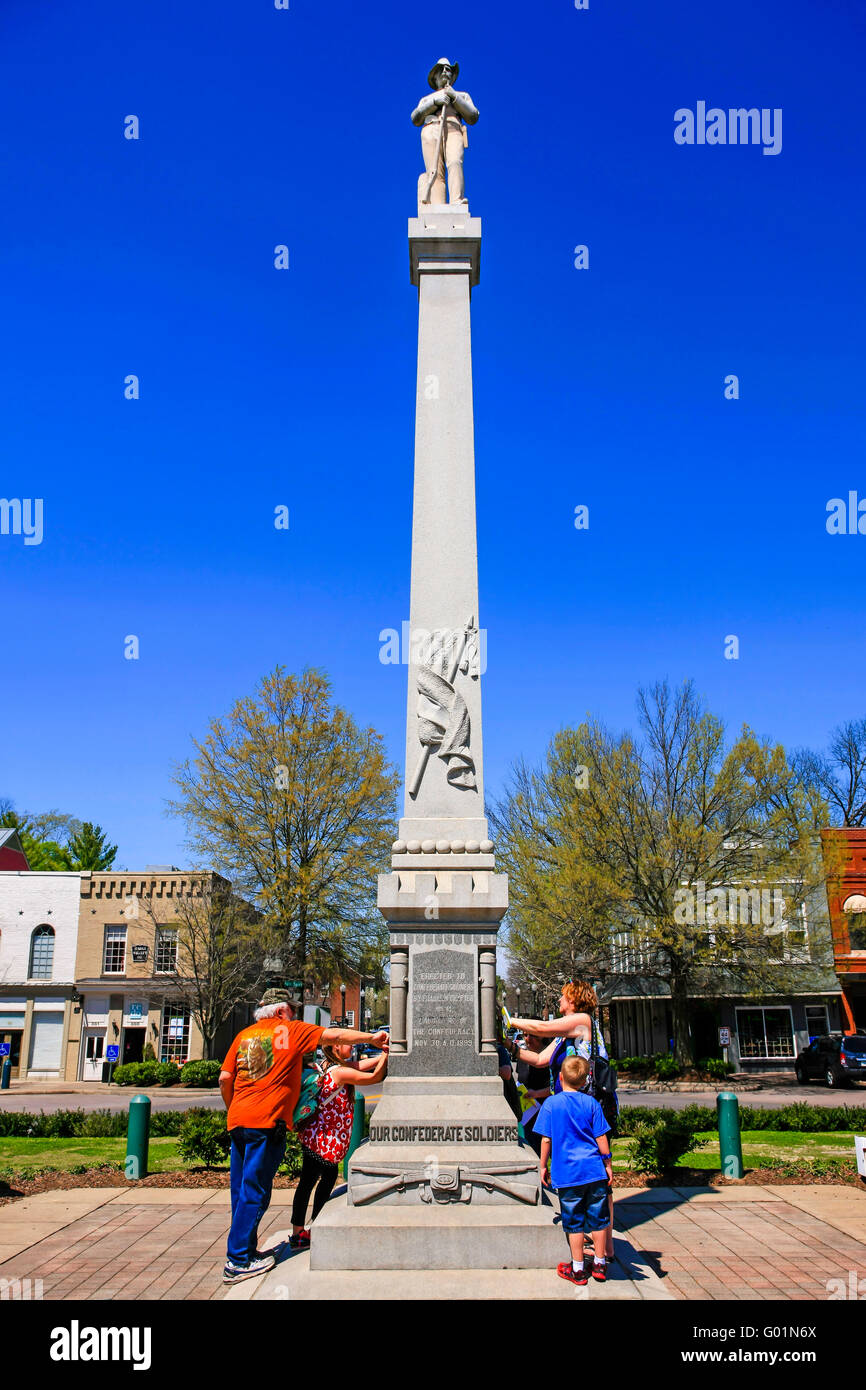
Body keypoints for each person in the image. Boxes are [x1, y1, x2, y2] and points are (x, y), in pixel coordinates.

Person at [219, 988, 389, 1285]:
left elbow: (225, 1078)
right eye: (293, 1009)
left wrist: (233, 1107)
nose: (295, 1014)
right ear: (281, 1011)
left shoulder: (244, 1035)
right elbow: (335, 1036)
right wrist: (371, 1039)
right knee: (256, 1190)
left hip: (238, 1120)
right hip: (267, 1122)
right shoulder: (292, 1031)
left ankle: (246, 1251)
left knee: (240, 1190)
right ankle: (237, 1261)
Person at [511, 980, 615, 1260]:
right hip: (567, 1109)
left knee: (598, 1174)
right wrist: (509, 1046)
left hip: (589, 1107)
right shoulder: (564, 1033)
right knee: (579, 1170)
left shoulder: (582, 1021)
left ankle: (606, 1247)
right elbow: (541, 1060)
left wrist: (509, 1019)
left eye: (563, 997)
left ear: (574, 999)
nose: (559, 1000)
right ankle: (597, 1243)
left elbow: (542, 1028)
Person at [290, 1038, 389, 1248]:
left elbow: (362, 1066)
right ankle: (312, 1226)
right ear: (336, 1047)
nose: (352, 1048)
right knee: (324, 1179)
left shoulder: (329, 1066)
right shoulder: (340, 1072)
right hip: (324, 1140)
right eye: (347, 1044)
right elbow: (374, 1077)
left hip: (314, 1135)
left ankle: (300, 1230)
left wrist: (383, 1055)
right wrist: (388, 1056)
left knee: (308, 1182)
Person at [534, 1054, 613, 1287]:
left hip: (567, 1175)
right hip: (594, 1171)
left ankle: (577, 1268)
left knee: (574, 1222)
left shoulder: (551, 1104)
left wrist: (542, 1165)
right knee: (598, 1219)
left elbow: (546, 1140)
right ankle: (599, 1263)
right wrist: (607, 1164)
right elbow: (601, 1137)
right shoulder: (591, 1103)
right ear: (586, 1080)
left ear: (560, 1077)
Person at [410, 58, 479, 206]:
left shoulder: (462, 95)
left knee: (455, 162)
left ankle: (456, 200)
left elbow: (473, 116)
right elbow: (415, 118)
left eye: (448, 69)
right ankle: (437, 205)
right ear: (435, 77)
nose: (444, 72)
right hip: (431, 129)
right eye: (441, 70)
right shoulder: (427, 98)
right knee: (434, 171)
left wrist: (454, 97)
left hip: (453, 129)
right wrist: (435, 102)